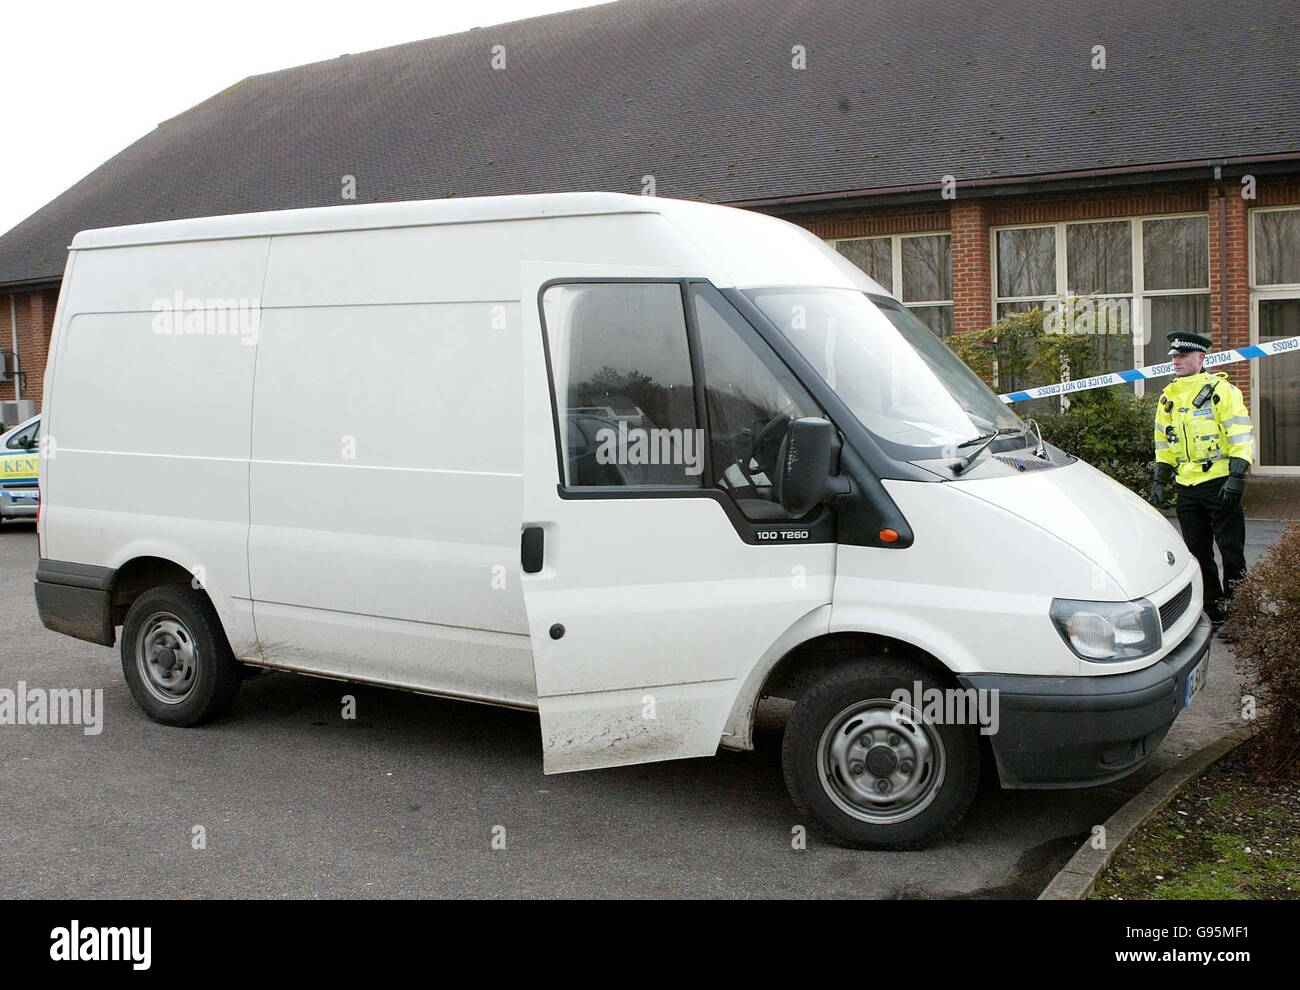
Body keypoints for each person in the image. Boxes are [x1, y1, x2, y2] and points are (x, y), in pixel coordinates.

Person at [1151, 331, 1253, 628]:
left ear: (1201, 358)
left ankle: (1240, 613)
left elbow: (1240, 434)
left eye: (1183, 357)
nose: (1176, 361)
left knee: (1232, 551)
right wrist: (1162, 476)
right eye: (1174, 357)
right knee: (1197, 553)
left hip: (1219, 483)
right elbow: (1163, 438)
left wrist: (1237, 475)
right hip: (1187, 486)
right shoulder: (1168, 395)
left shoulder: (1221, 390)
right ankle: (1215, 609)